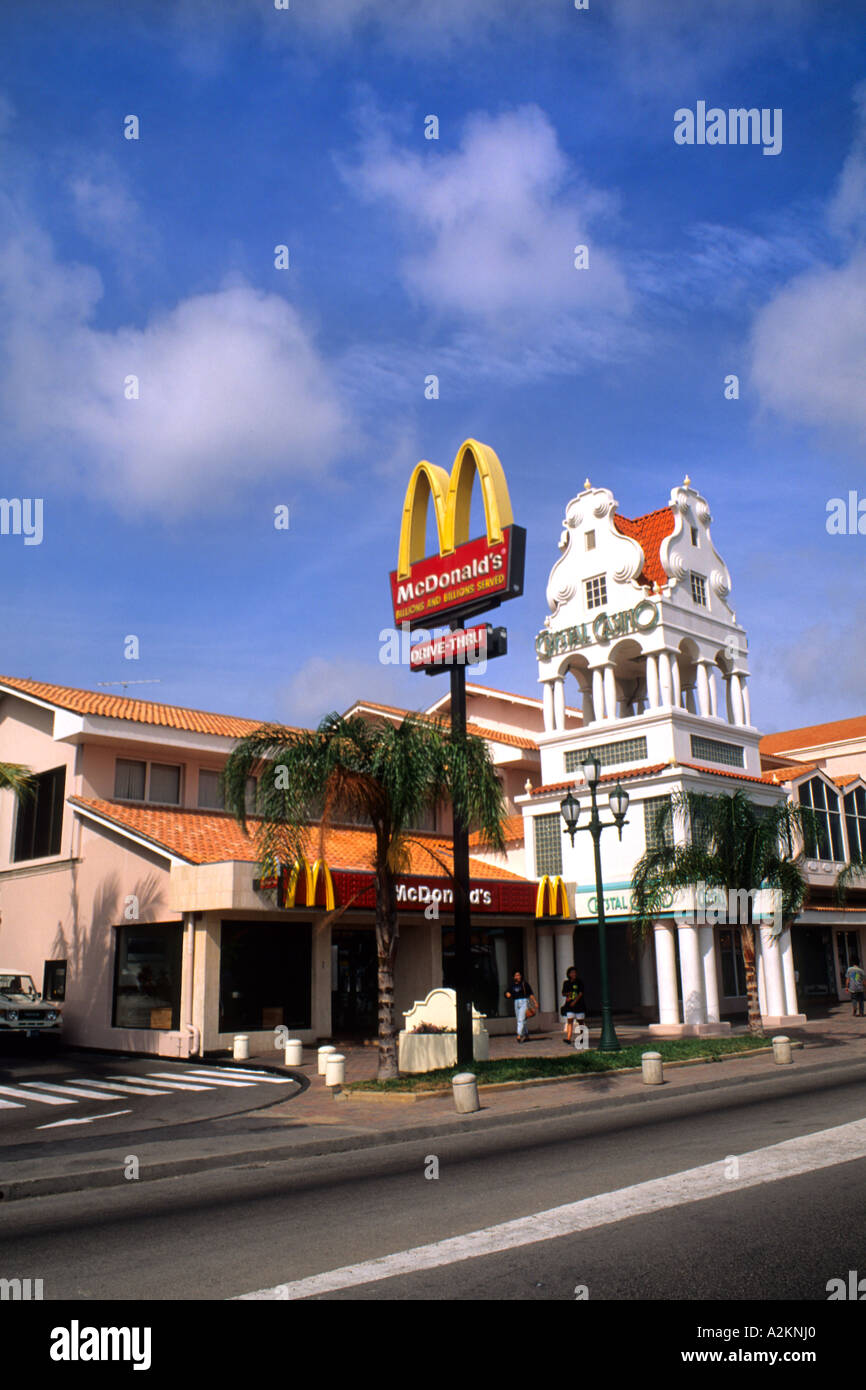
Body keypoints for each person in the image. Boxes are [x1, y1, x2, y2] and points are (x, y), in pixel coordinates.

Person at [504, 970, 538, 1043]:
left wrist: (535, 1002)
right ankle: (526, 1035)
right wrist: (507, 994)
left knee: (521, 1019)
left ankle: (519, 1035)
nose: (518, 977)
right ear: (513, 977)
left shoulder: (524, 984)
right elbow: (507, 993)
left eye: (519, 975)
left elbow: (530, 994)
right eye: (516, 975)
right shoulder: (512, 985)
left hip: (524, 1001)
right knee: (521, 1019)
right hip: (516, 1002)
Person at [561, 967, 585, 1045]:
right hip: (569, 1005)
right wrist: (568, 994)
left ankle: (582, 1037)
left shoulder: (579, 982)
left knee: (580, 1021)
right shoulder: (566, 983)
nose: (573, 974)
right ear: (569, 974)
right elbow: (563, 993)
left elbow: (581, 993)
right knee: (570, 1020)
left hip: (579, 1004)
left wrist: (574, 1001)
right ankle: (568, 1038)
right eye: (571, 973)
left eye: (574, 972)